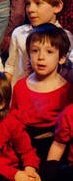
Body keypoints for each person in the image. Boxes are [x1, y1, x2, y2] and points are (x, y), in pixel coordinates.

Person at [9, 23, 73, 165]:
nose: (41, 57)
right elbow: (12, 120)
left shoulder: (67, 90)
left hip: (55, 145)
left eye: (49, 52)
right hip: (25, 145)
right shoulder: (20, 86)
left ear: (61, 58)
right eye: (35, 51)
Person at [6, 0, 72, 84]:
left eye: (38, 3)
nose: (30, 9)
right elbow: (10, 67)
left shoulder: (66, 37)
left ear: (57, 7)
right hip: (20, 92)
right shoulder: (19, 33)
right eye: (28, 3)